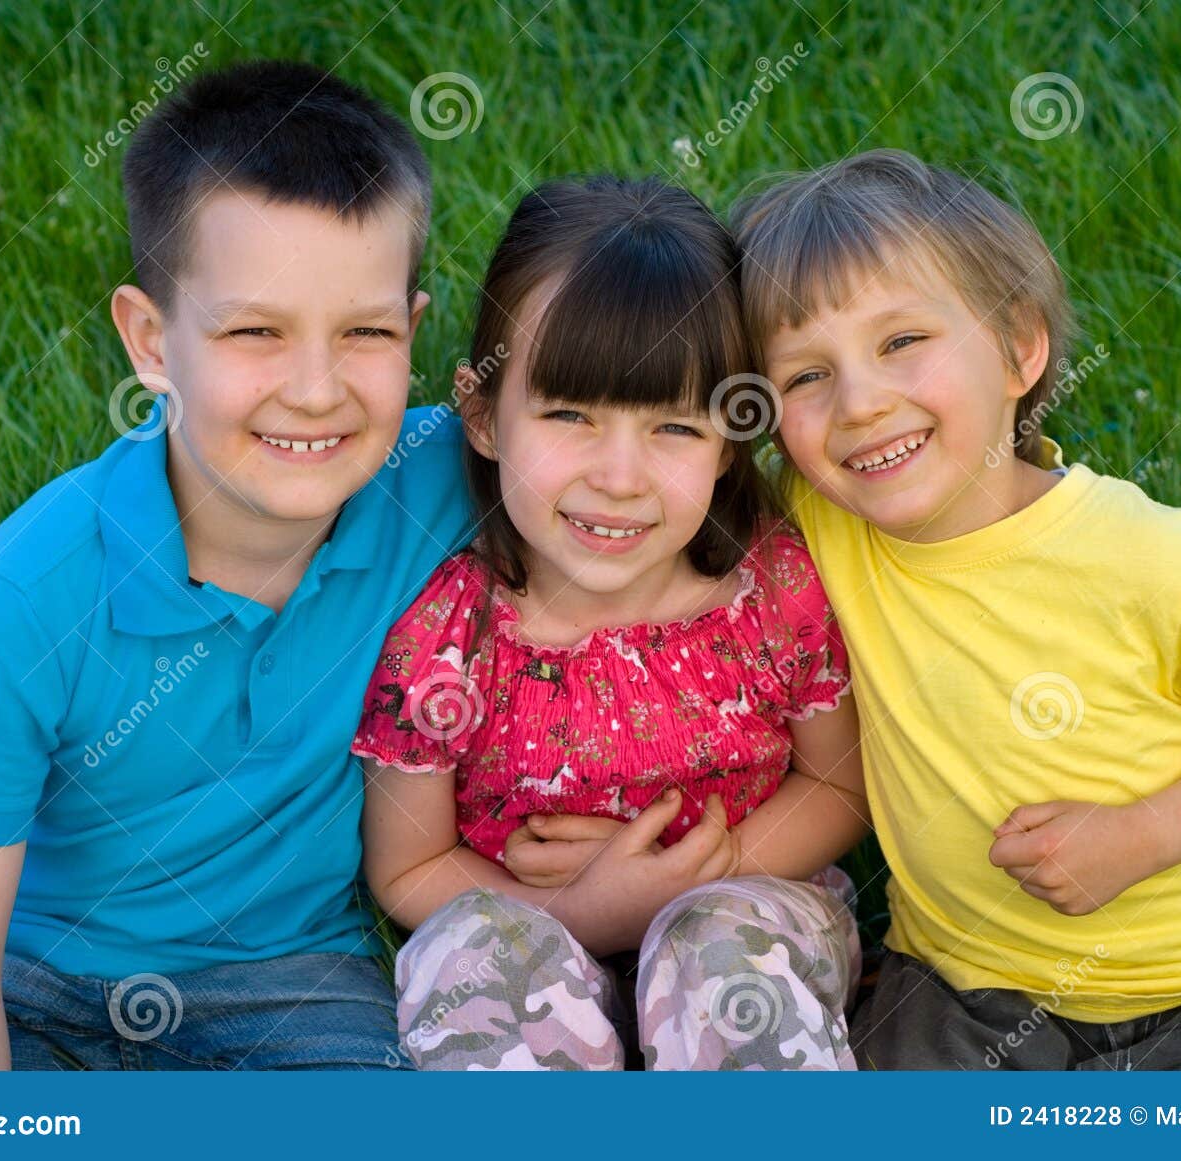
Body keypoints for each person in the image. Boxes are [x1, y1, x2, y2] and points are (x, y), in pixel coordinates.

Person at [0, 60, 470, 1070]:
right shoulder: (21, 602)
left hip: (288, 990)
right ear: (150, 340)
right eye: (256, 331)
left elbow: (618, 439)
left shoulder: (441, 481)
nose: (319, 390)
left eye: (364, 333)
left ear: (413, 332)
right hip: (22, 977)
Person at [732, 148, 1181, 1069]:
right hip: (960, 989)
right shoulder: (818, 522)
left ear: (1020, 349)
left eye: (902, 342)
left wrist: (1139, 836)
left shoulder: (1150, 556)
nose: (861, 404)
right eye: (804, 377)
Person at [354, 176, 870, 1070]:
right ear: (482, 413)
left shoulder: (770, 588)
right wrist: (587, 911)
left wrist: (694, 878)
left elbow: (842, 785)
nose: (620, 476)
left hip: (749, 898)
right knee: (472, 955)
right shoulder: (448, 637)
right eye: (568, 415)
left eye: (674, 427)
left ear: (730, 437)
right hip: (531, 914)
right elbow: (408, 866)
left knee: (718, 951)